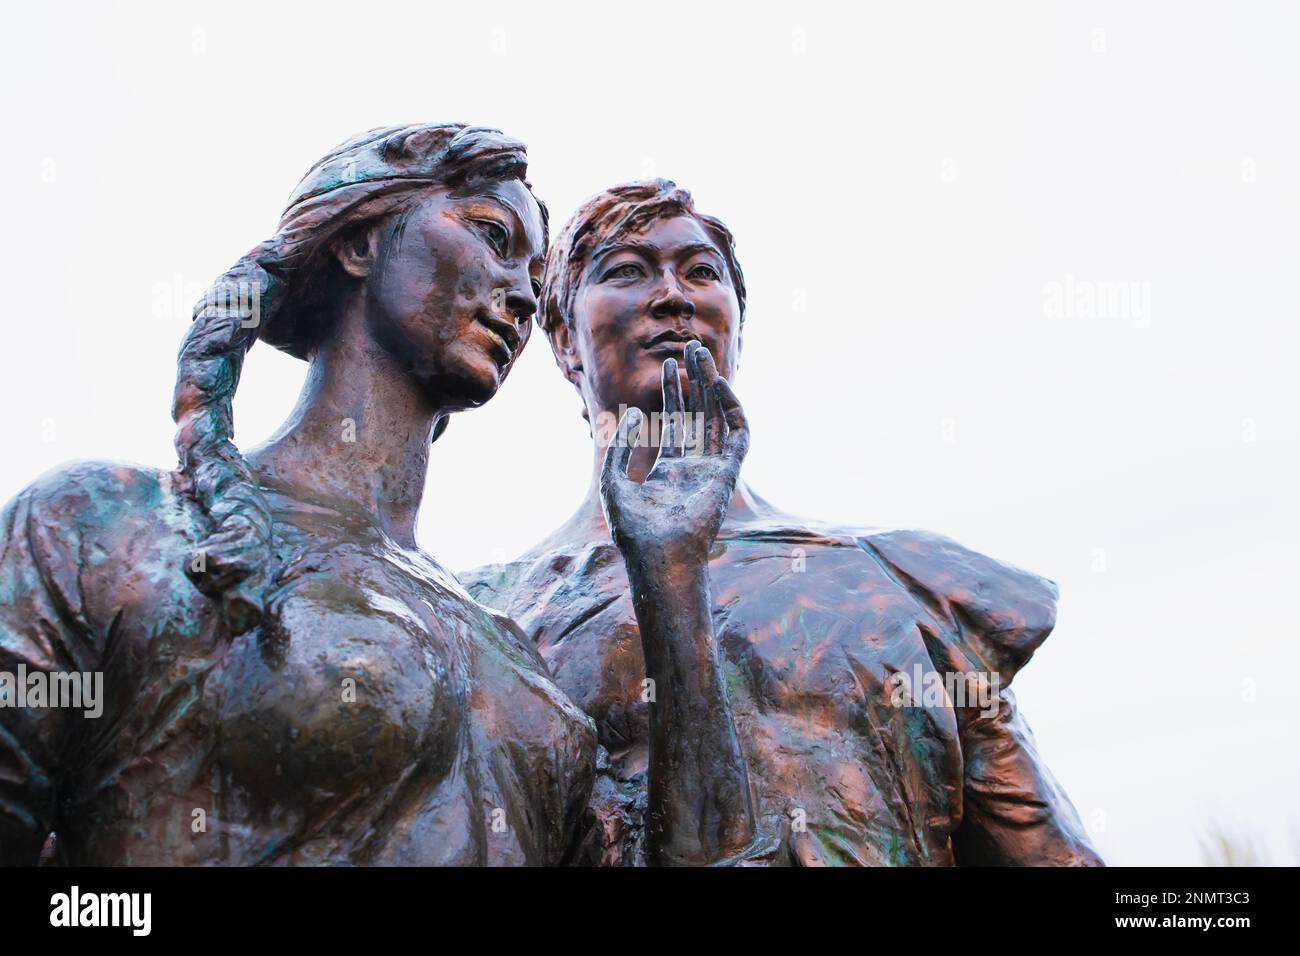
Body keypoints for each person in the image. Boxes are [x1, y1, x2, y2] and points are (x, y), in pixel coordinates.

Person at [0, 131, 752, 866]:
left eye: (532, 269)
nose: (524, 293)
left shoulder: (516, 658)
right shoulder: (106, 526)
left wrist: (671, 579)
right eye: (493, 236)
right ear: (359, 245)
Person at [462, 179, 1104, 866]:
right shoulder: (489, 624)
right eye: (627, 272)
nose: (673, 295)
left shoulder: (901, 587)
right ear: (562, 339)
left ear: (736, 321)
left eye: (700, 271)